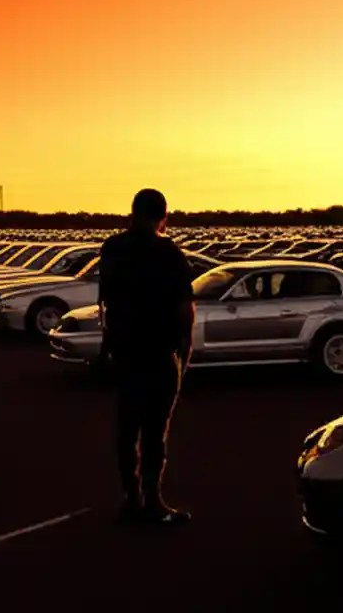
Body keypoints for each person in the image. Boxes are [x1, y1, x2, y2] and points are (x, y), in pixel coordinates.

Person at [99, 188, 195, 525]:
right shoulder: (168, 252)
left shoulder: (112, 249)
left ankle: (131, 499)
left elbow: (105, 304)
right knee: (155, 432)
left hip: (125, 351)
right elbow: (185, 308)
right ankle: (153, 503)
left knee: (127, 430)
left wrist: (109, 343)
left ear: (133, 212)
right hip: (157, 352)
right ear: (163, 216)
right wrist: (185, 349)